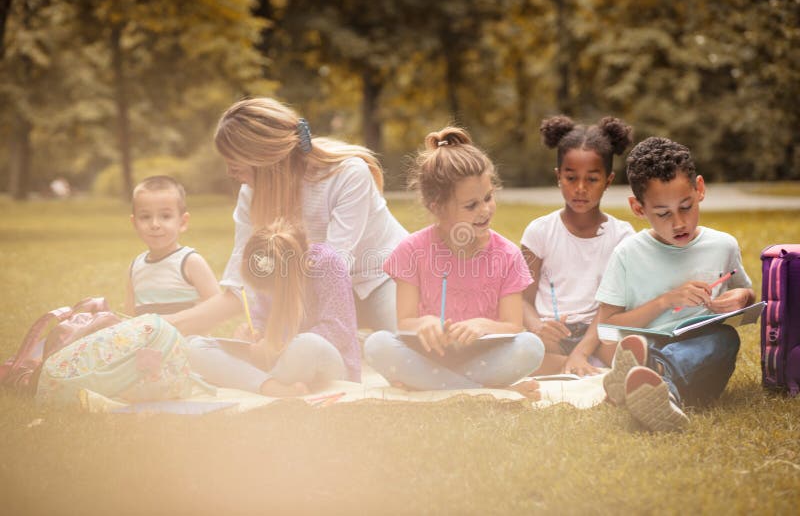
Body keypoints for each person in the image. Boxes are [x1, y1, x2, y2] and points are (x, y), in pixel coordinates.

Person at [165, 97, 407, 337]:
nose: (230, 173)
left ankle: (361, 340)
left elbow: (333, 268)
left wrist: (278, 324)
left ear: (264, 158)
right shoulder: (252, 195)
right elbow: (244, 282)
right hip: (313, 293)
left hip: (382, 278)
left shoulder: (348, 174)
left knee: (406, 342)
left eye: (234, 164)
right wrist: (169, 324)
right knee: (277, 351)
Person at [364, 127, 544, 396]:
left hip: (484, 356)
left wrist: (482, 325)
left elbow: (512, 325)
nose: (485, 210)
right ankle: (484, 391)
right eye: (471, 205)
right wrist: (424, 323)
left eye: (488, 197)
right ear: (437, 207)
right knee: (377, 344)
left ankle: (436, 385)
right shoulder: (412, 250)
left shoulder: (507, 255)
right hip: (429, 355)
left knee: (531, 346)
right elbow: (405, 321)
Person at [596, 137, 755, 431]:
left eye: (686, 206)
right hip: (649, 343)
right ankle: (659, 387)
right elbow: (605, 329)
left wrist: (742, 297)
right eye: (663, 213)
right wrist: (664, 301)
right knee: (643, 345)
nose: (679, 222)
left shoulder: (723, 246)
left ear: (700, 189)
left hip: (700, 354)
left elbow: (748, 298)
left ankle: (647, 377)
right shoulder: (627, 254)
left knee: (724, 339)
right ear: (638, 208)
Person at [188, 219, 360, 396]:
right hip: (274, 363)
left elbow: (339, 331)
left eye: (272, 289)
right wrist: (254, 332)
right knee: (195, 347)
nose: (269, 294)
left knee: (306, 345)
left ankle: (254, 382)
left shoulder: (327, 265)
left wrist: (276, 346)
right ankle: (272, 388)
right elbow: (261, 316)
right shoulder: (268, 268)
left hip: (323, 364)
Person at [521, 116, 635, 375]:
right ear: (558, 176)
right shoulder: (539, 231)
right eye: (571, 178)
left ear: (608, 180)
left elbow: (613, 308)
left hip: (599, 331)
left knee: (631, 352)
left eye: (592, 179)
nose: (580, 188)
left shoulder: (622, 237)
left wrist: (583, 348)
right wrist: (537, 326)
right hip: (551, 332)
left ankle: (584, 362)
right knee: (523, 352)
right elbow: (521, 298)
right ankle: (575, 367)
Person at [125, 175, 220, 316]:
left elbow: (217, 307)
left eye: (165, 216)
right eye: (145, 217)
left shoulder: (190, 262)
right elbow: (130, 318)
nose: (154, 224)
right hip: (148, 338)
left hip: (189, 337)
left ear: (182, 222)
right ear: (135, 223)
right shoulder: (134, 268)